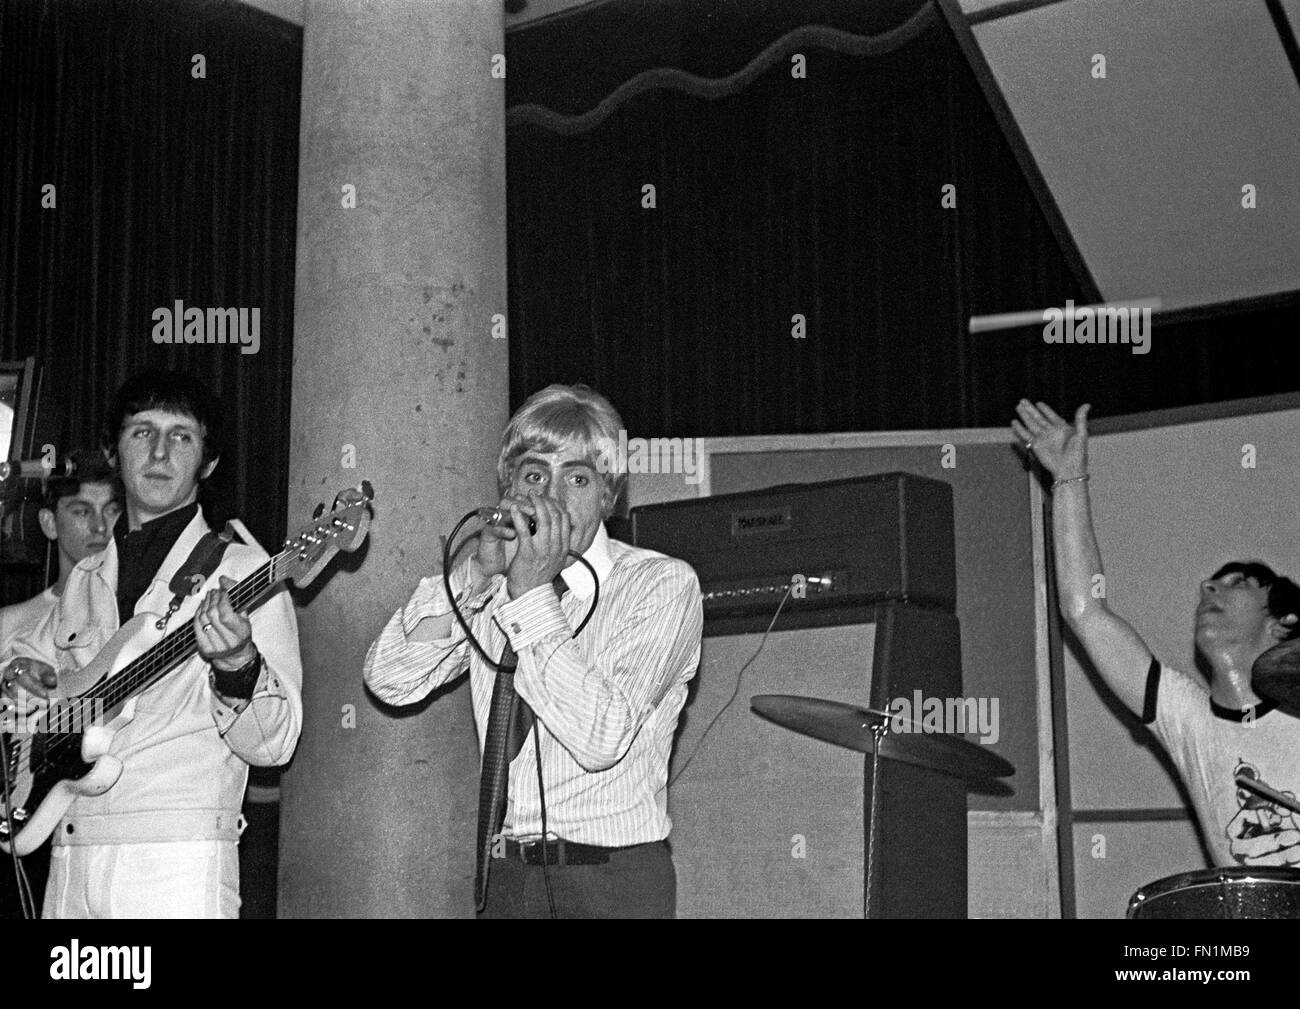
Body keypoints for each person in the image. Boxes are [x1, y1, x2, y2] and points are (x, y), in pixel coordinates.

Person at [364, 384, 703, 918]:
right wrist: (477, 574)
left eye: (577, 477)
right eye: (534, 475)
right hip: (509, 874)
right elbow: (389, 679)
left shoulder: (660, 584)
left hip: (612, 881)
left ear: (608, 497)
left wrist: (530, 595)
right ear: (509, 492)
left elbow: (601, 737)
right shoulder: (495, 588)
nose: (551, 496)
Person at [0, 369, 303, 918]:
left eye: (181, 435)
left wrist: (238, 667)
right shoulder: (83, 579)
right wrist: (19, 683)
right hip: (68, 857)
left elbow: (273, 745)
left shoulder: (243, 573)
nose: (160, 451)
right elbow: (27, 681)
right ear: (113, 453)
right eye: (142, 432)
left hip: (175, 862)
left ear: (208, 462)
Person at [1013, 399, 1300, 867]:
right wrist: (1067, 480)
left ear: (1284, 623)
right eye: (1213, 581)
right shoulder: (1187, 717)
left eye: (1239, 583)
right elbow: (1085, 612)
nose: (1209, 586)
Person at [0, 451, 123, 660]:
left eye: (111, 511)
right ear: (49, 523)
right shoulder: (9, 625)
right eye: (82, 512)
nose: (100, 527)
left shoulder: (135, 609)